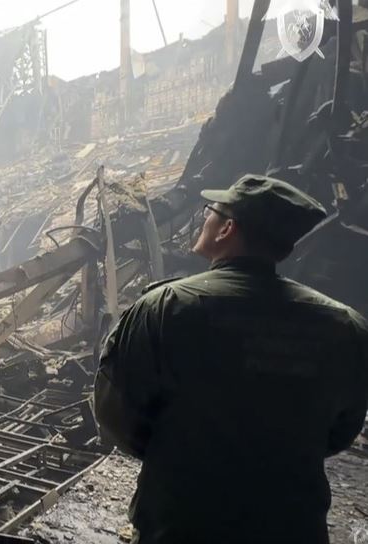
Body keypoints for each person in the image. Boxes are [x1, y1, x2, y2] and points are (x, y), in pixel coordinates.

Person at [94, 174, 368, 544]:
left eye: (211, 212)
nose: (204, 219)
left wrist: (175, 452)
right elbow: (342, 429)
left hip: (181, 523)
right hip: (292, 527)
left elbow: (116, 414)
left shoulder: (166, 307)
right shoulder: (344, 326)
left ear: (226, 229)